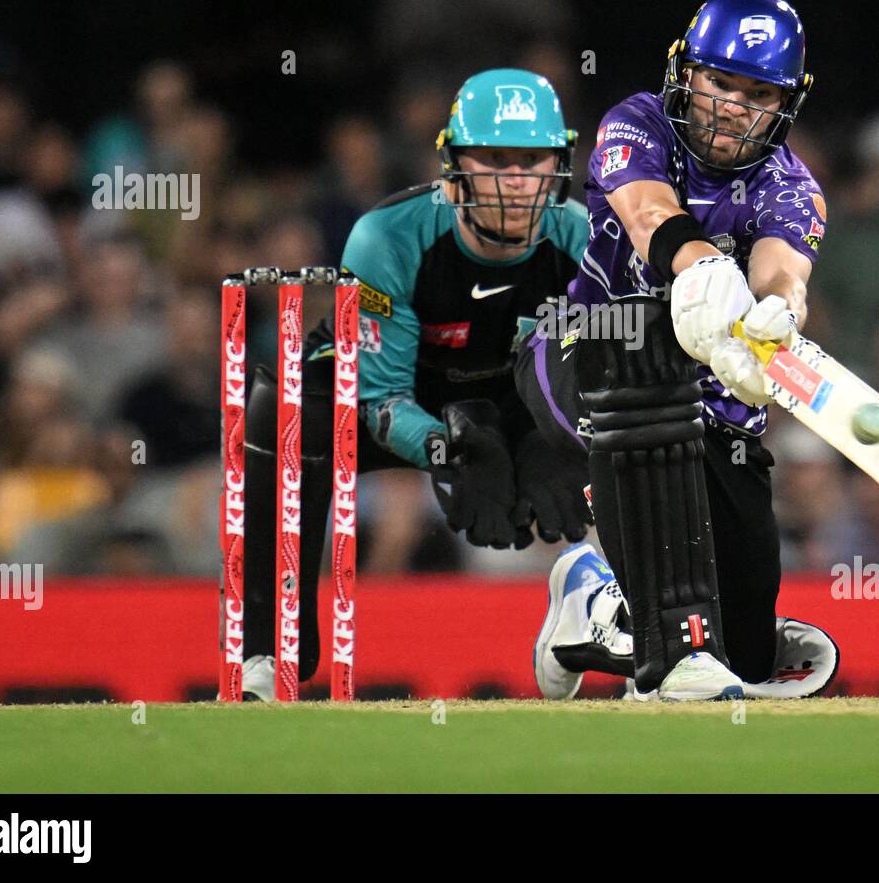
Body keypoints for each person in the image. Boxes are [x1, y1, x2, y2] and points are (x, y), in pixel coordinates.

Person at [238, 69, 630, 700]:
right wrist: (451, 447)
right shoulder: (388, 235)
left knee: (634, 429)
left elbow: (598, 368)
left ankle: (601, 605)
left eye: (532, 161)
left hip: (510, 398)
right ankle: (267, 649)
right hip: (394, 396)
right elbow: (381, 395)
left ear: (560, 164)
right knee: (278, 410)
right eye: (495, 160)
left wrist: (554, 437)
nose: (515, 180)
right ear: (453, 165)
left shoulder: (583, 238)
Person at [517, 0, 840, 701]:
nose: (732, 105)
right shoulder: (633, 124)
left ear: (788, 103)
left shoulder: (793, 186)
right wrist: (704, 271)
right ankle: (651, 632)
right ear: (684, 72)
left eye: (758, 92)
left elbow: (785, 268)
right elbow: (650, 214)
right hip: (588, 347)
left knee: (748, 661)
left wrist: (776, 316)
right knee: (645, 434)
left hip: (711, 408)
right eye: (719, 81)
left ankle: (594, 603)